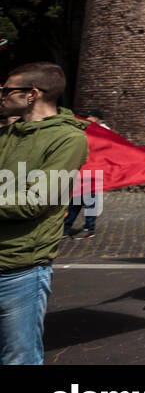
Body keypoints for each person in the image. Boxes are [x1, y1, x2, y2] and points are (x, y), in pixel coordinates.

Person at [0, 63, 90, 365]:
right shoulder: (7, 134)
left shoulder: (68, 139)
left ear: (32, 94)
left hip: (20, 268)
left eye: (6, 90)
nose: (1, 95)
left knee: (19, 358)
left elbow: (35, 201)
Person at [62, 108, 105, 239]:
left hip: (91, 172)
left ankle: (89, 228)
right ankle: (65, 228)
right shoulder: (83, 128)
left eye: (90, 117)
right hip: (80, 170)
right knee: (74, 201)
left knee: (89, 201)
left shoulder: (102, 130)